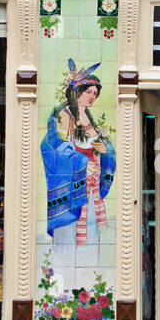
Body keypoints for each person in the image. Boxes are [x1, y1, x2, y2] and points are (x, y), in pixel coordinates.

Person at [41, 58, 115, 245]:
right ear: (77, 92)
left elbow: (101, 143)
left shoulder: (88, 117)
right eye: (89, 92)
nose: (92, 96)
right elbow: (55, 147)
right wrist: (82, 161)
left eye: (95, 93)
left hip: (91, 179)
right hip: (75, 179)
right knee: (70, 235)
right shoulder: (64, 115)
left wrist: (106, 150)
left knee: (91, 234)